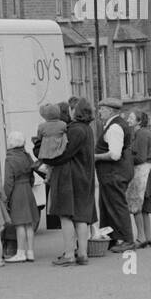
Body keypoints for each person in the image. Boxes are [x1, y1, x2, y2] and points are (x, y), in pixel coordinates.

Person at [39, 96, 97, 266]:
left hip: (70, 178)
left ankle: (69, 254)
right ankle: (83, 254)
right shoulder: (87, 129)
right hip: (85, 176)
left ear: (75, 111)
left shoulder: (74, 130)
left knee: (66, 216)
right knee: (81, 217)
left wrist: (45, 158)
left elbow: (62, 154)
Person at [94, 96, 136, 254]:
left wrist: (96, 156)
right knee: (106, 205)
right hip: (113, 173)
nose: (99, 112)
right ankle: (111, 237)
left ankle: (127, 240)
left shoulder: (114, 128)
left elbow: (114, 154)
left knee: (117, 205)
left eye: (102, 109)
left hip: (115, 173)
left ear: (110, 110)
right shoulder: (114, 124)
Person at [2, 132, 40, 263]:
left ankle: (20, 252)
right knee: (29, 224)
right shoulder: (27, 156)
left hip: (17, 191)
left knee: (19, 224)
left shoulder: (10, 159)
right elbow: (32, 176)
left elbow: (8, 181)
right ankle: (30, 252)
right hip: (27, 190)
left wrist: (5, 198)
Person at [128, 109, 151, 248]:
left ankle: (140, 237)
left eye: (131, 118)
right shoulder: (146, 133)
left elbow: (140, 157)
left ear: (138, 121)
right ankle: (149, 236)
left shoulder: (140, 134)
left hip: (142, 174)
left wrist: (125, 158)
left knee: (136, 206)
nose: (128, 120)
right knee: (145, 207)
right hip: (148, 172)